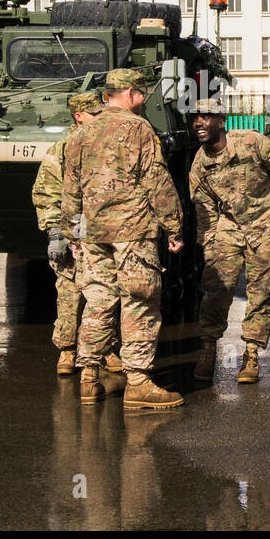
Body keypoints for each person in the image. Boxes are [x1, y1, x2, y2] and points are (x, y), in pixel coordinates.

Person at [61, 68, 185, 410]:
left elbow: (70, 189)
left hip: (94, 232)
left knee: (99, 299)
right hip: (132, 232)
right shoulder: (138, 128)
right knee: (140, 301)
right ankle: (138, 383)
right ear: (129, 93)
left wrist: (72, 232)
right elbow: (155, 179)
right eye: (141, 93)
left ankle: (89, 378)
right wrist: (173, 226)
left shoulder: (82, 133)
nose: (143, 99)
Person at [188, 99, 270, 384]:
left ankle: (250, 355)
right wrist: (209, 243)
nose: (199, 123)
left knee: (262, 289)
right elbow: (203, 207)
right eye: (196, 118)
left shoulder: (252, 142)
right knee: (215, 289)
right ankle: (208, 349)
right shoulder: (200, 163)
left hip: (264, 224)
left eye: (206, 117)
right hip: (230, 227)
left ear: (221, 121)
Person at [30, 92, 124, 376]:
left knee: (105, 291)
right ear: (78, 116)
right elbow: (46, 192)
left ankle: (104, 348)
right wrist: (55, 231)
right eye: (94, 114)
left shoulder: (108, 146)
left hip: (101, 231)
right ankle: (67, 350)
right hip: (72, 232)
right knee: (69, 292)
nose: (99, 118)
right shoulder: (61, 149)